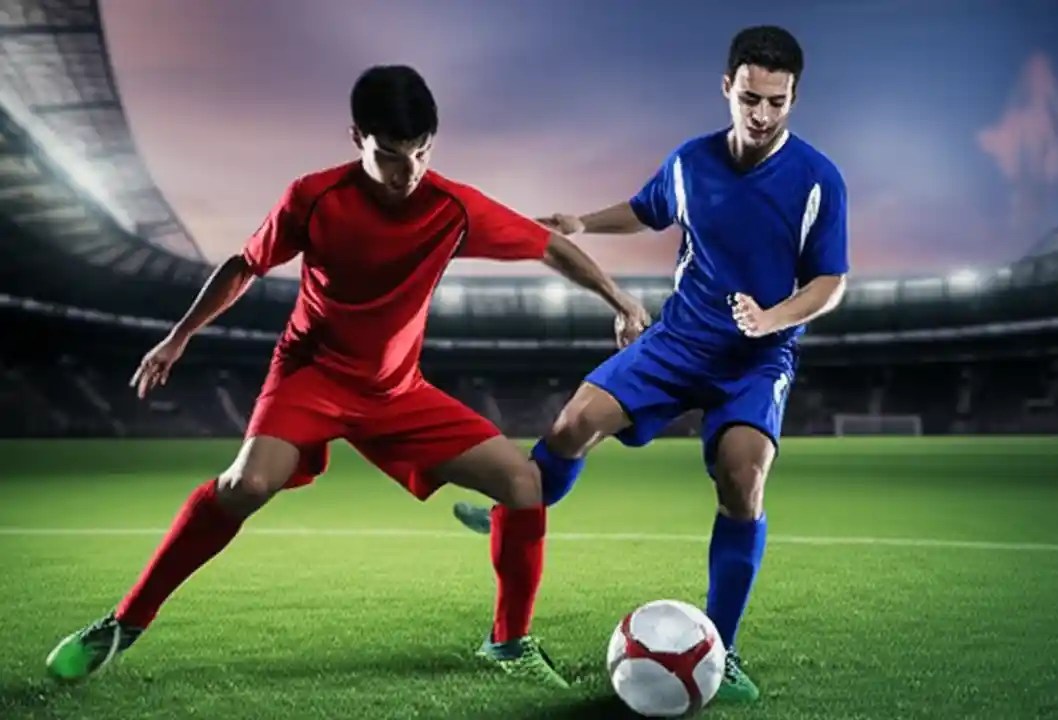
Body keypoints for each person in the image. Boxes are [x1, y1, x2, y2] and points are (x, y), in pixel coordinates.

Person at [45, 64, 650, 688]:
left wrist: (621, 301)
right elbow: (242, 265)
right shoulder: (312, 198)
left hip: (396, 391)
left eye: (420, 153)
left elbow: (549, 245)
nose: (406, 172)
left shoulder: (453, 207)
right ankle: (125, 622)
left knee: (522, 483)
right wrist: (180, 336)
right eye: (390, 155)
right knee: (248, 484)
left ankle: (509, 643)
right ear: (355, 136)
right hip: (311, 376)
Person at [452, 26, 849, 703]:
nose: (761, 116)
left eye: (777, 103)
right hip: (678, 340)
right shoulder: (690, 162)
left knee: (743, 477)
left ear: (794, 99)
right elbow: (645, 210)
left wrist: (773, 318)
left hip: (758, 357)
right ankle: (513, 514)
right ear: (727, 88)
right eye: (750, 98)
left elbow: (830, 282)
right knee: (575, 420)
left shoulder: (818, 179)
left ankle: (721, 651)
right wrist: (579, 222)